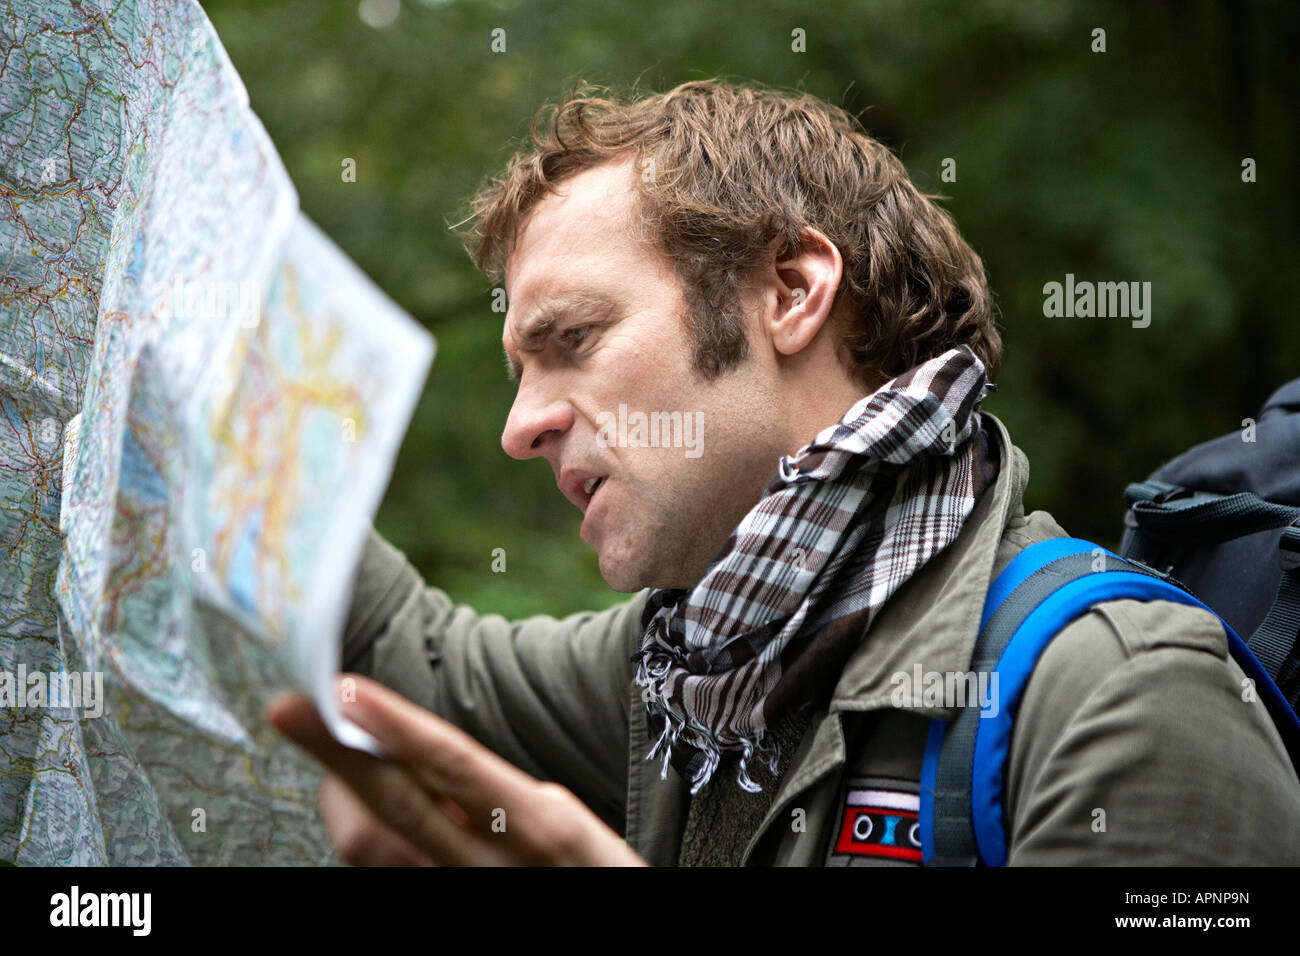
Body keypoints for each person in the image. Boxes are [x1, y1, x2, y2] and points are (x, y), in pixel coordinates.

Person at [268, 80, 1300, 866]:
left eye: (572, 338)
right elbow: (407, 653)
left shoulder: (1127, 695)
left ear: (792, 290)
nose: (521, 425)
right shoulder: (683, 677)